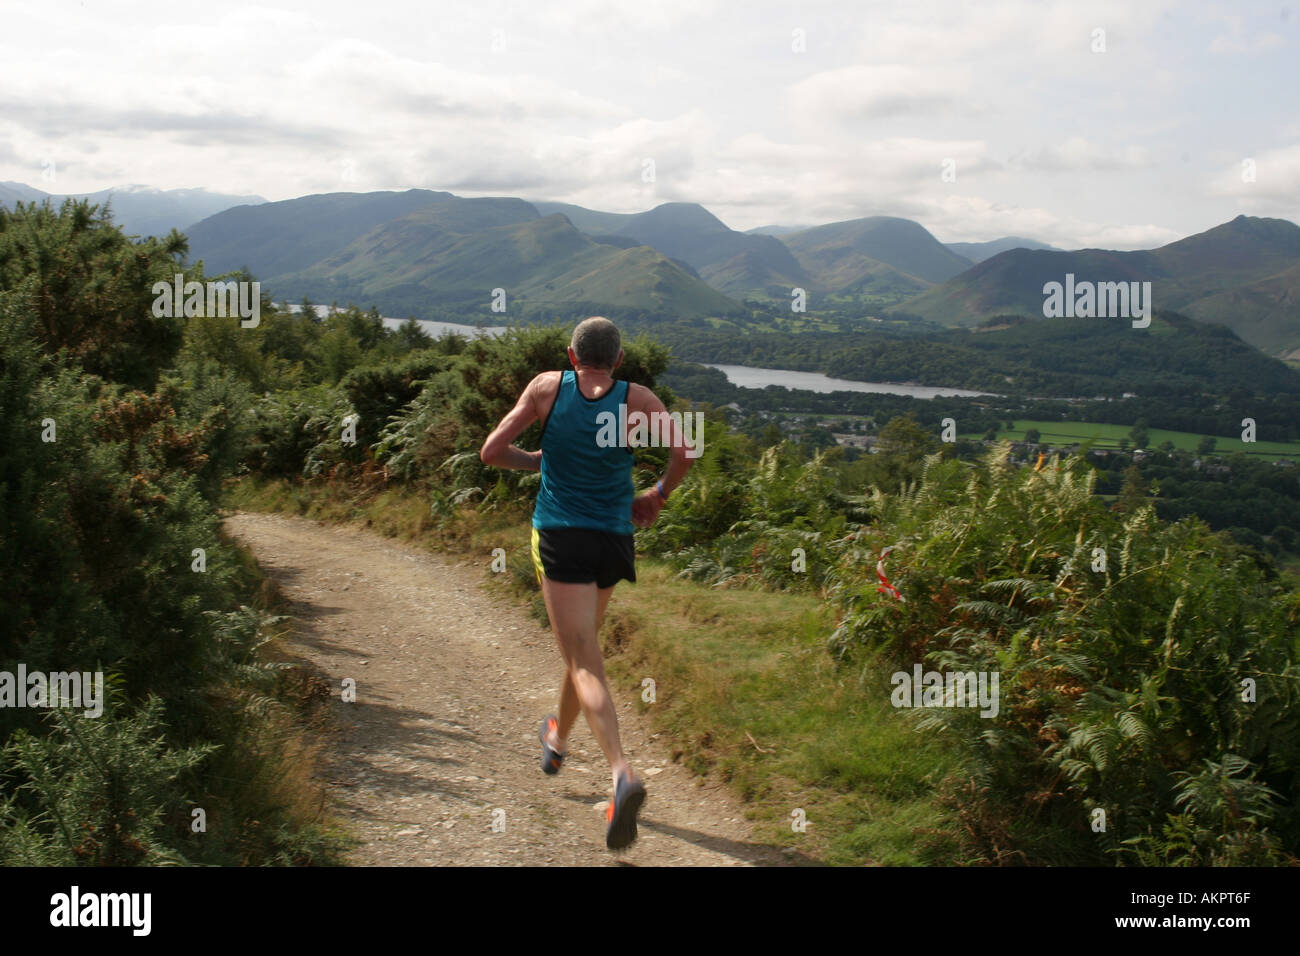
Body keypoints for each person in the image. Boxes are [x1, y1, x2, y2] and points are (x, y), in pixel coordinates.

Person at [480, 317, 693, 850]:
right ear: (619, 360)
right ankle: (557, 738)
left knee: (583, 661)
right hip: (614, 538)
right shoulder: (638, 398)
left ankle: (622, 773)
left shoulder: (547, 387)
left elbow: (491, 451)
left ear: (572, 356)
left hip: (560, 535)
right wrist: (656, 496)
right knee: (583, 653)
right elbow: (685, 452)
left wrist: (535, 461)